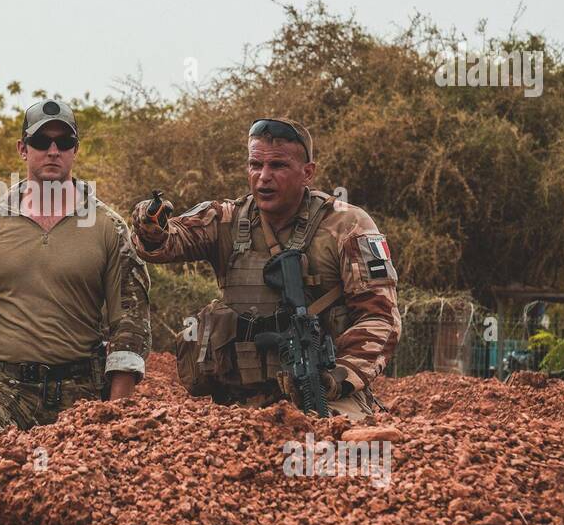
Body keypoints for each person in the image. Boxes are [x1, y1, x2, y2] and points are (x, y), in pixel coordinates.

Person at [130, 117, 401, 419]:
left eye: (278, 166)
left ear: (307, 173)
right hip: (237, 400)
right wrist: (151, 227)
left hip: (326, 394)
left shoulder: (347, 225)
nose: (263, 177)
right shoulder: (226, 219)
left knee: (335, 450)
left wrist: (338, 378)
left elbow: (381, 318)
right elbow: (165, 244)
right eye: (255, 165)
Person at [0, 99, 152, 449]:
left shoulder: (108, 227)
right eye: (41, 141)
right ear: (23, 148)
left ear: (75, 150)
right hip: (5, 390)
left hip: (82, 392)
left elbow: (130, 320)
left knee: (113, 466)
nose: (53, 150)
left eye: (64, 142)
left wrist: (117, 409)